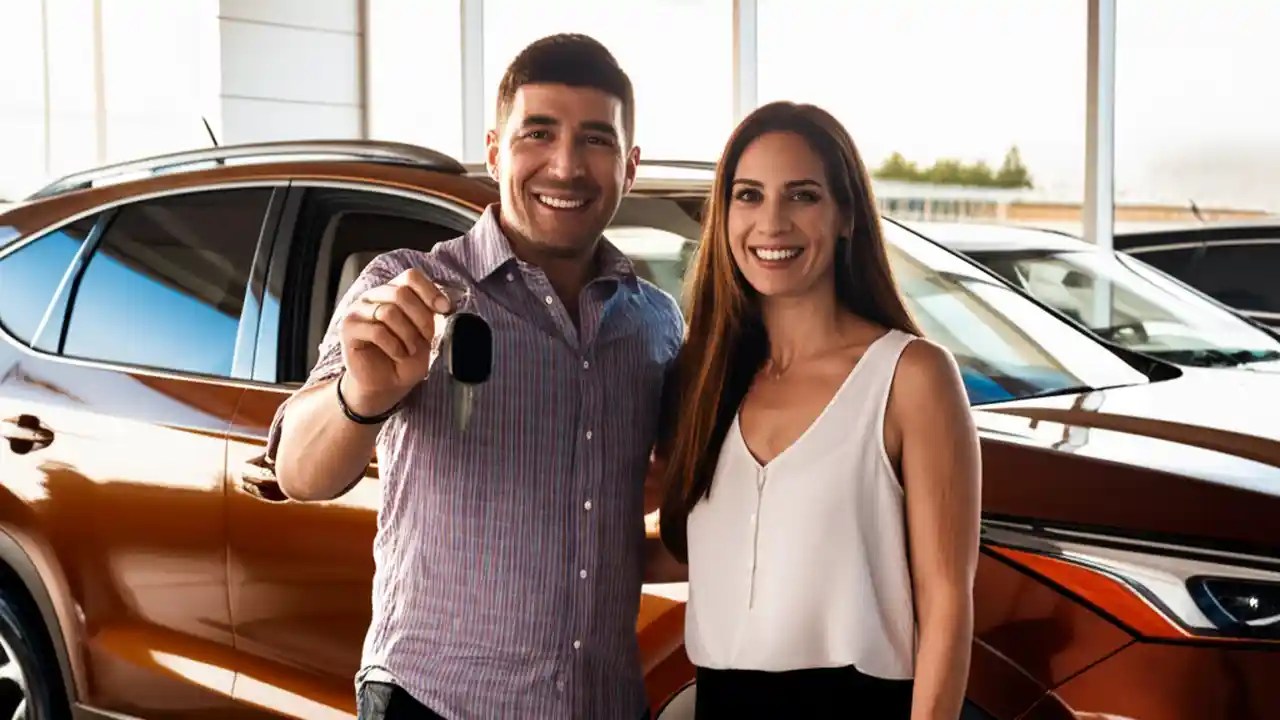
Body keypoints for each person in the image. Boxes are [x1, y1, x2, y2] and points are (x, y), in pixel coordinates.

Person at [266, 34, 683, 720]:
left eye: (597, 141)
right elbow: (299, 473)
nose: (566, 165)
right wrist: (362, 396)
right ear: (495, 150)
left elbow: (631, 521)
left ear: (630, 166)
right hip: (436, 702)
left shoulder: (656, 324)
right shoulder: (409, 286)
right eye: (539, 133)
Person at [656, 102, 982, 719]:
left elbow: (946, 602)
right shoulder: (702, 378)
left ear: (846, 217)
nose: (771, 222)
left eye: (801, 196)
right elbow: (701, 544)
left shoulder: (911, 376)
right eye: (748, 195)